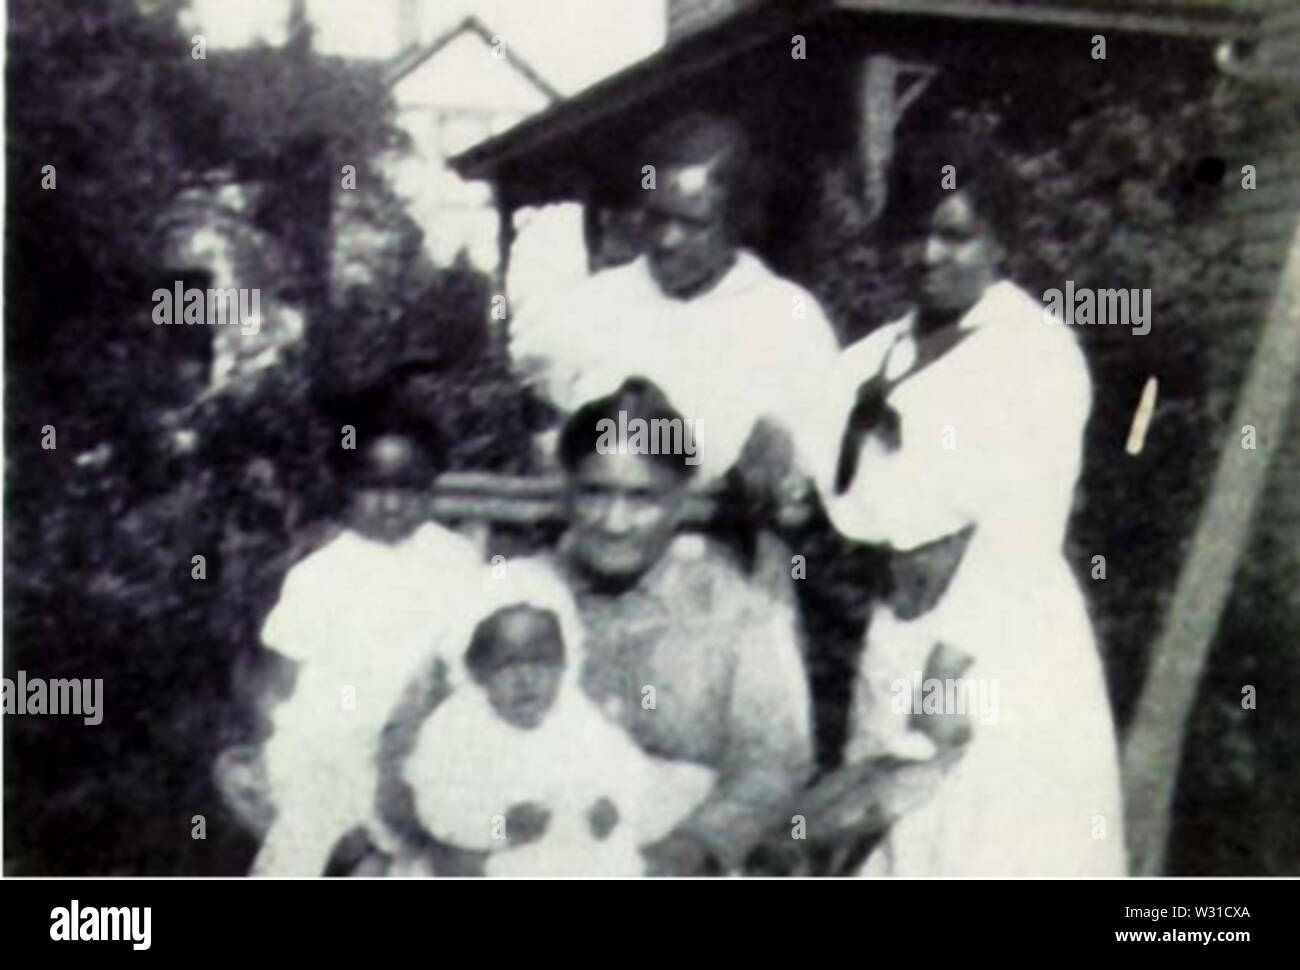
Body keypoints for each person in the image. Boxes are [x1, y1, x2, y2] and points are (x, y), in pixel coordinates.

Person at [802, 164, 1126, 877]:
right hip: (897, 629)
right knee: (895, 838)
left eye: (955, 235)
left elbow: (1024, 528)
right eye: (914, 234)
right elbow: (824, 476)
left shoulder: (1034, 351)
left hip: (999, 640)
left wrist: (949, 672)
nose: (930, 254)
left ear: (998, 242)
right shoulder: (871, 357)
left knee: (994, 842)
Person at [532, 378, 816, 875]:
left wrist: (692, 846)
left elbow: (773, 765)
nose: (614, 522)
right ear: (566, 492)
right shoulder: (519, 594)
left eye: (641, 498)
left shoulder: (735, 613)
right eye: (595, 493)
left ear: (680, 501)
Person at [510, 112, 839, 486]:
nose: (668, 240)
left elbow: (817, 462)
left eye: (693, 223)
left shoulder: (789, 318)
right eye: (656, 218)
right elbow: (547, 443)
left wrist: (779, 464)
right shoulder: (589, 307)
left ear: (737, 221)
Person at [248, 428, 485, 876]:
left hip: (423, 736)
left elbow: (471, 659)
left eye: (407, 489)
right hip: (331, 742)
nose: (391, 505)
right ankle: (350, 850)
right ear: (348, 490)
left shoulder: (456, 560)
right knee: (311, 829)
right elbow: (278, 685)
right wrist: (274, 752)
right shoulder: (318, 575)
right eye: (374, 488)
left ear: (429, 490)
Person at [403, 602, 715, 878]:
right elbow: (438, 806)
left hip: (582, 850)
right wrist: (499, 827)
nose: (526, 680)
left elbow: (629, 770)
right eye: (507, 666)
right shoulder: (458, 724)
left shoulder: (574, 713)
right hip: (502, 859)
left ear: (561, 668)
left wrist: (613, 806)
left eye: (541, 665)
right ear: (481, 674)